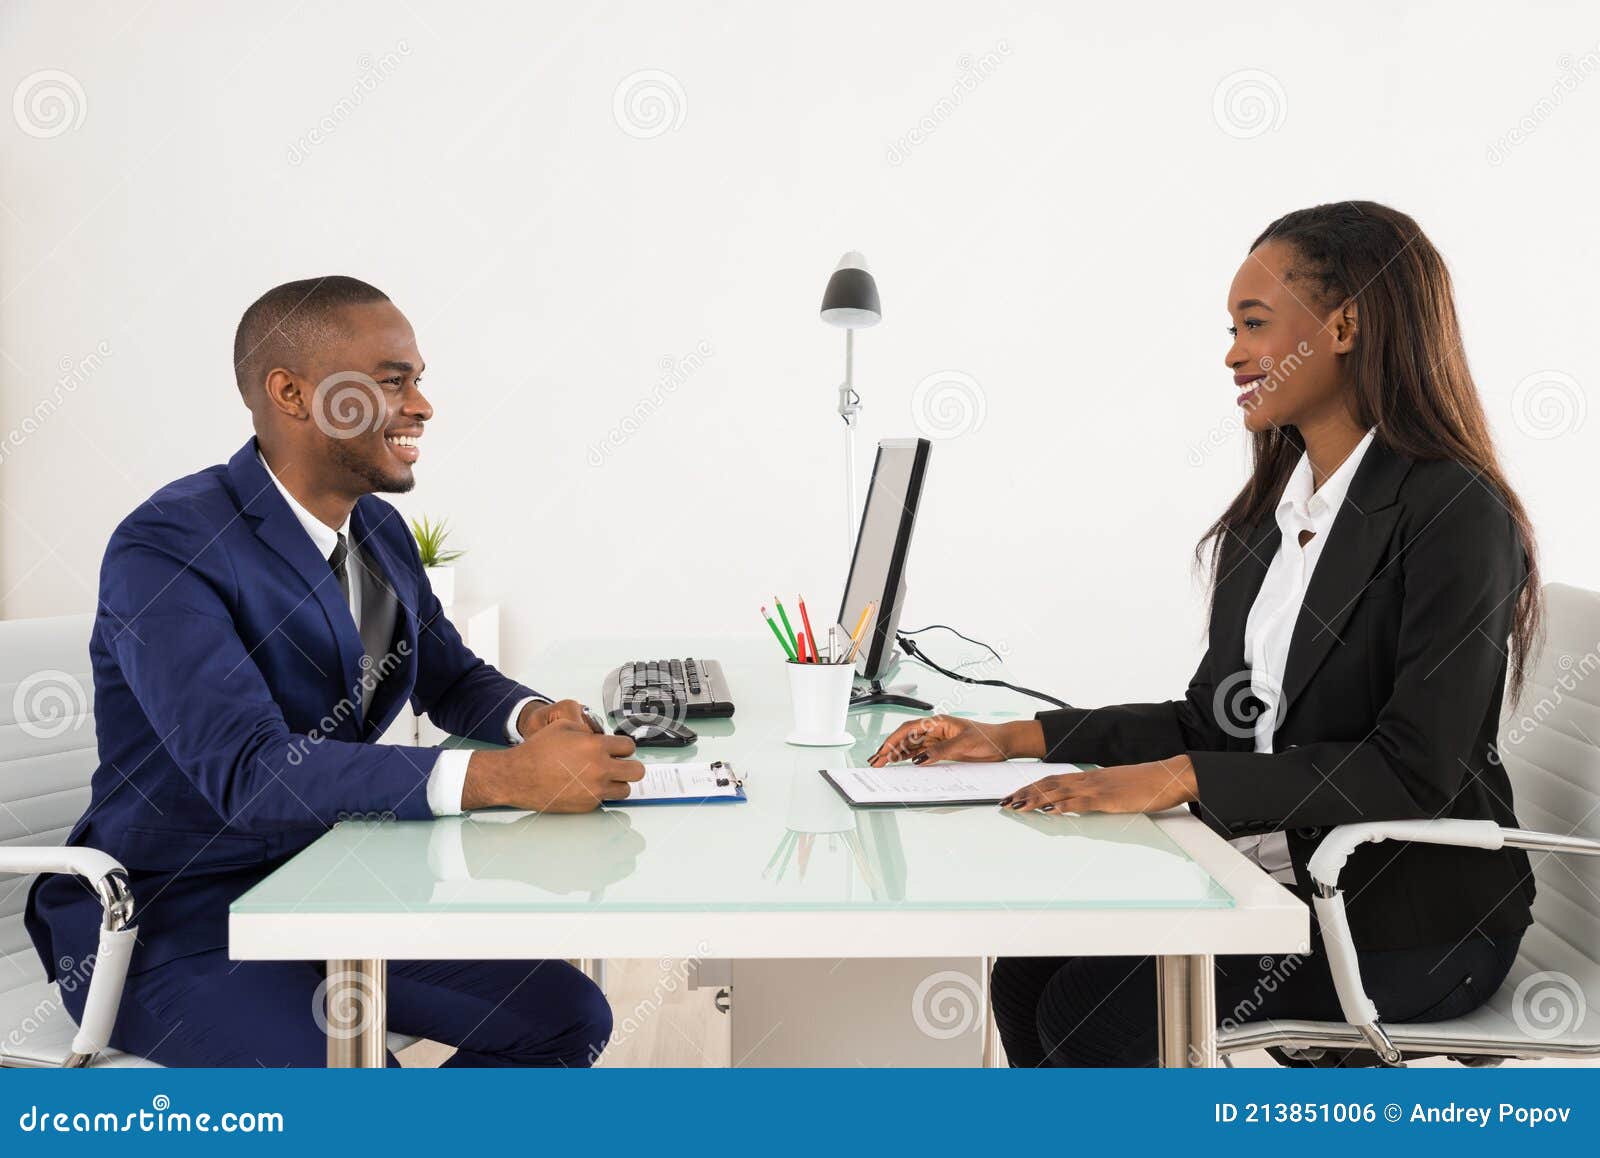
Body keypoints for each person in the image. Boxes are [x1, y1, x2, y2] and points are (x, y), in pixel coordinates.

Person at [868, 202, 1540, 1067]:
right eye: (1232, 329)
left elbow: (1416, 767)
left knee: (1092, 1013)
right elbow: (1212, 719)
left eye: (1254, 325)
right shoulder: (1271, 517)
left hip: (1415, 920)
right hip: (1276, 878)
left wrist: (1182, 778)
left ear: (1346, 324)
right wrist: (1008, 737)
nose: (1231, 354)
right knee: (1029, 973)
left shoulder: (1452, 509)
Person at [26, 276, 645, 1067]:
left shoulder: (377, 530)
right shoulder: (169, 546)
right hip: (176, 914)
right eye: (393, 381)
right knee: (352, 1086)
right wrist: (505, 781)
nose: (422, 406)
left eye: (417, 380)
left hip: (326, 885)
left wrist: (532, 720)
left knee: (564, 1013)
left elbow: (451, 679)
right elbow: (249, 773)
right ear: (292, 393)